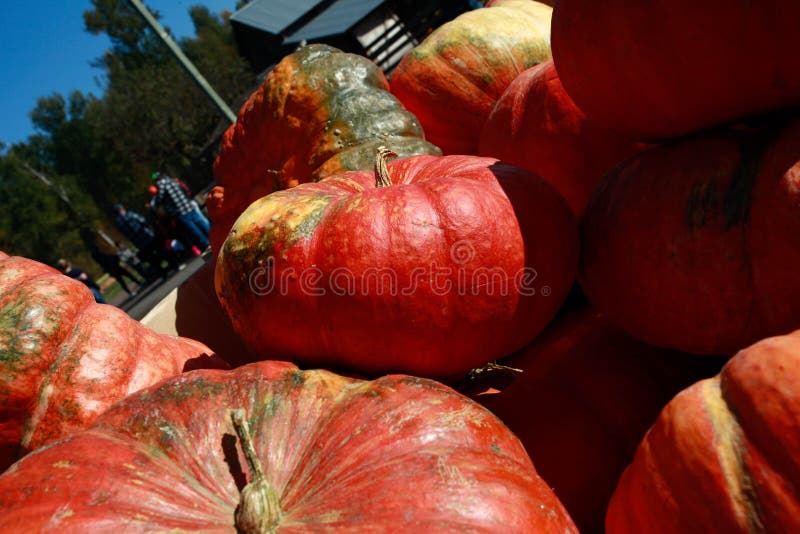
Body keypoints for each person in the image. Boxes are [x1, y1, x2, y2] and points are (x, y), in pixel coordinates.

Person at [150, 172, 210, 251]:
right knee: (200, 222)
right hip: (188, 206)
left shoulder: (161, 185)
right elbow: (184, 190)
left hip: (179, 211)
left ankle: (206, 243)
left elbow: (159, 200)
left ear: (156, 180)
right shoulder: (172, 181)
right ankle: (213, 235)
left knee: (193, 228)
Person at [112, 204, 168, 279]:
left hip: (139, 243)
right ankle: (174, 264)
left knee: (151, 258)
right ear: (122, 209)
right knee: (161, 250)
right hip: (147, 236)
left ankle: (162, 273)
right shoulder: (130, 214)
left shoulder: (118, 223)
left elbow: (126, 234)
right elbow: (142, 220)